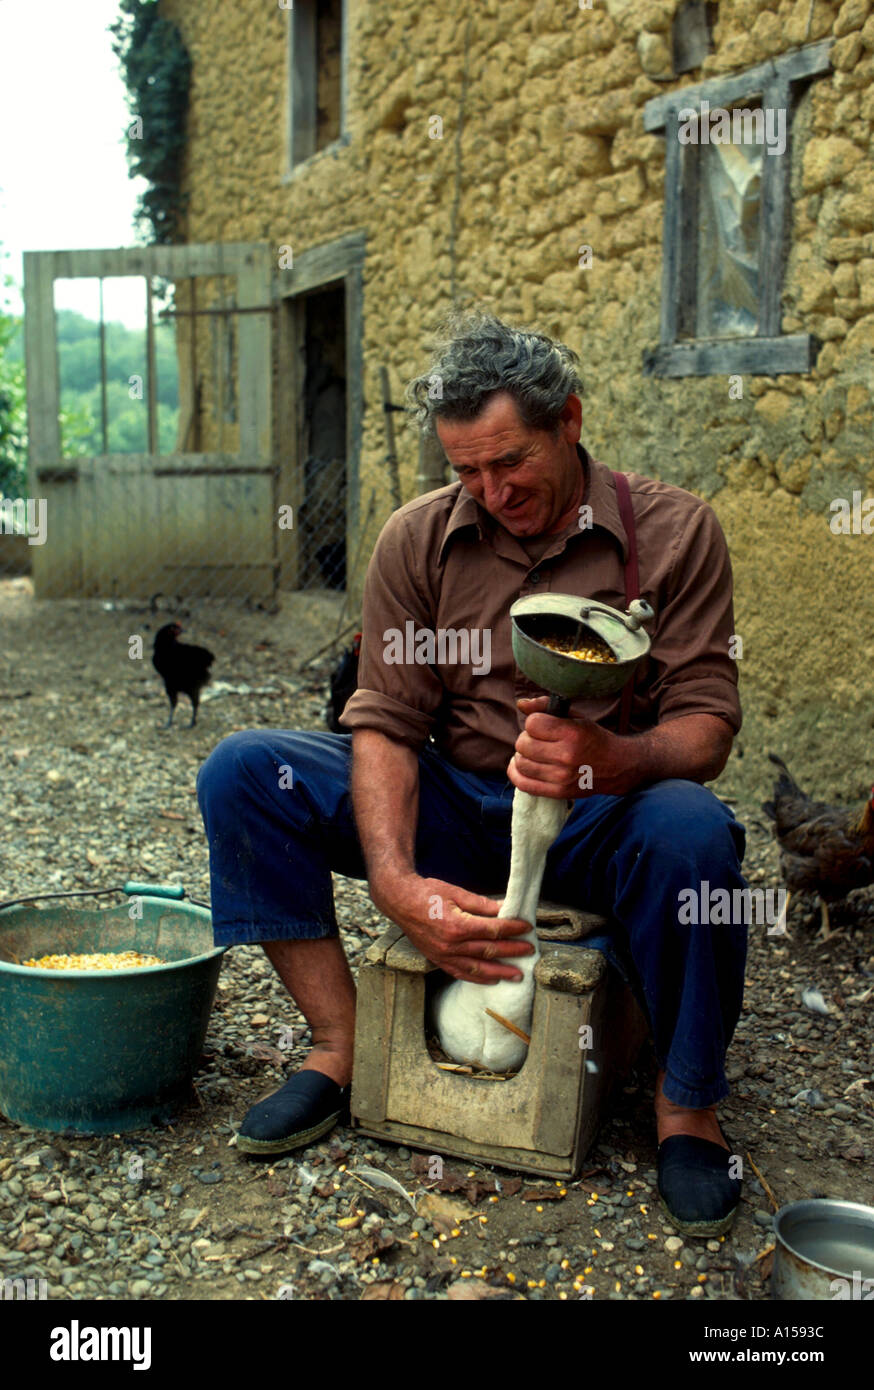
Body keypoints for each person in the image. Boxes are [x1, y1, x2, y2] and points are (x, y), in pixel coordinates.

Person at [196, 310, 748, 1237]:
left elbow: (708, 725)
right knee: (245, 771)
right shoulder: (417, 540)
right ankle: (342, 1048)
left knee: (694, 830)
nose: (490, 491)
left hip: (609, 816)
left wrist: (620, 758)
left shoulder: (676, 531)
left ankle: (686, 1104)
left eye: (510, 463)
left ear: (568, 421)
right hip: (462, 804)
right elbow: (384, 723)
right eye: (465, 471)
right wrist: (398, 881)